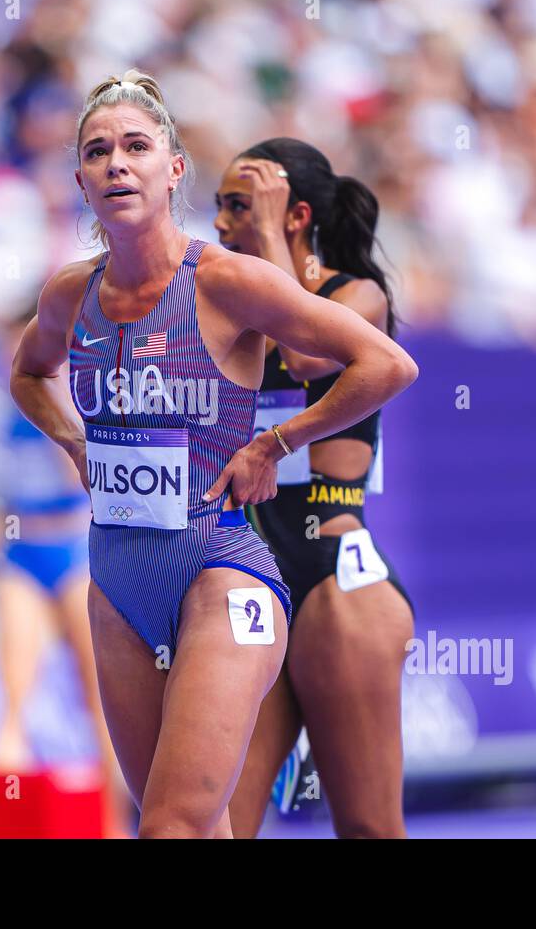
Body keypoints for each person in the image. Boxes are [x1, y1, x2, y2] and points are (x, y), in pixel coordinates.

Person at [10, 70, 418, 838]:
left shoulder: (232, 281)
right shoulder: (69, 294)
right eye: (98, 152)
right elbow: (29, 372)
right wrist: (71, 439)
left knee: (191, 827)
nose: (117, 163)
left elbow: (384, 364)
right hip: (120, 581)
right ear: (80, 180)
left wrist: (276, 440)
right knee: (191, 826)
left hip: (237, 565)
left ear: (173, 170)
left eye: (136, 146)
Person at [215, 140, 416, 838]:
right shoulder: (231, 312)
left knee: (367, 829)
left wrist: (268, 236)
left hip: (337, 578)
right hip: (249, 577)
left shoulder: (357, 295)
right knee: (217, 826)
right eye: (218, 207)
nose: (220, 225)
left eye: (237, 206)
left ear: (296, 215)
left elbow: (302, 354)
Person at [0, 309, 129, 836]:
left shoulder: (59, 402)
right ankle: (0, 820)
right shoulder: (7, 413)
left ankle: (110, 822)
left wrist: (60, 422)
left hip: (71, 551)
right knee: (13, 700)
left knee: (99, 699)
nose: (4, 358)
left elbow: (91, 478)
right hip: (21, 554)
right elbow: (8, 485)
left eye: (13, 346)